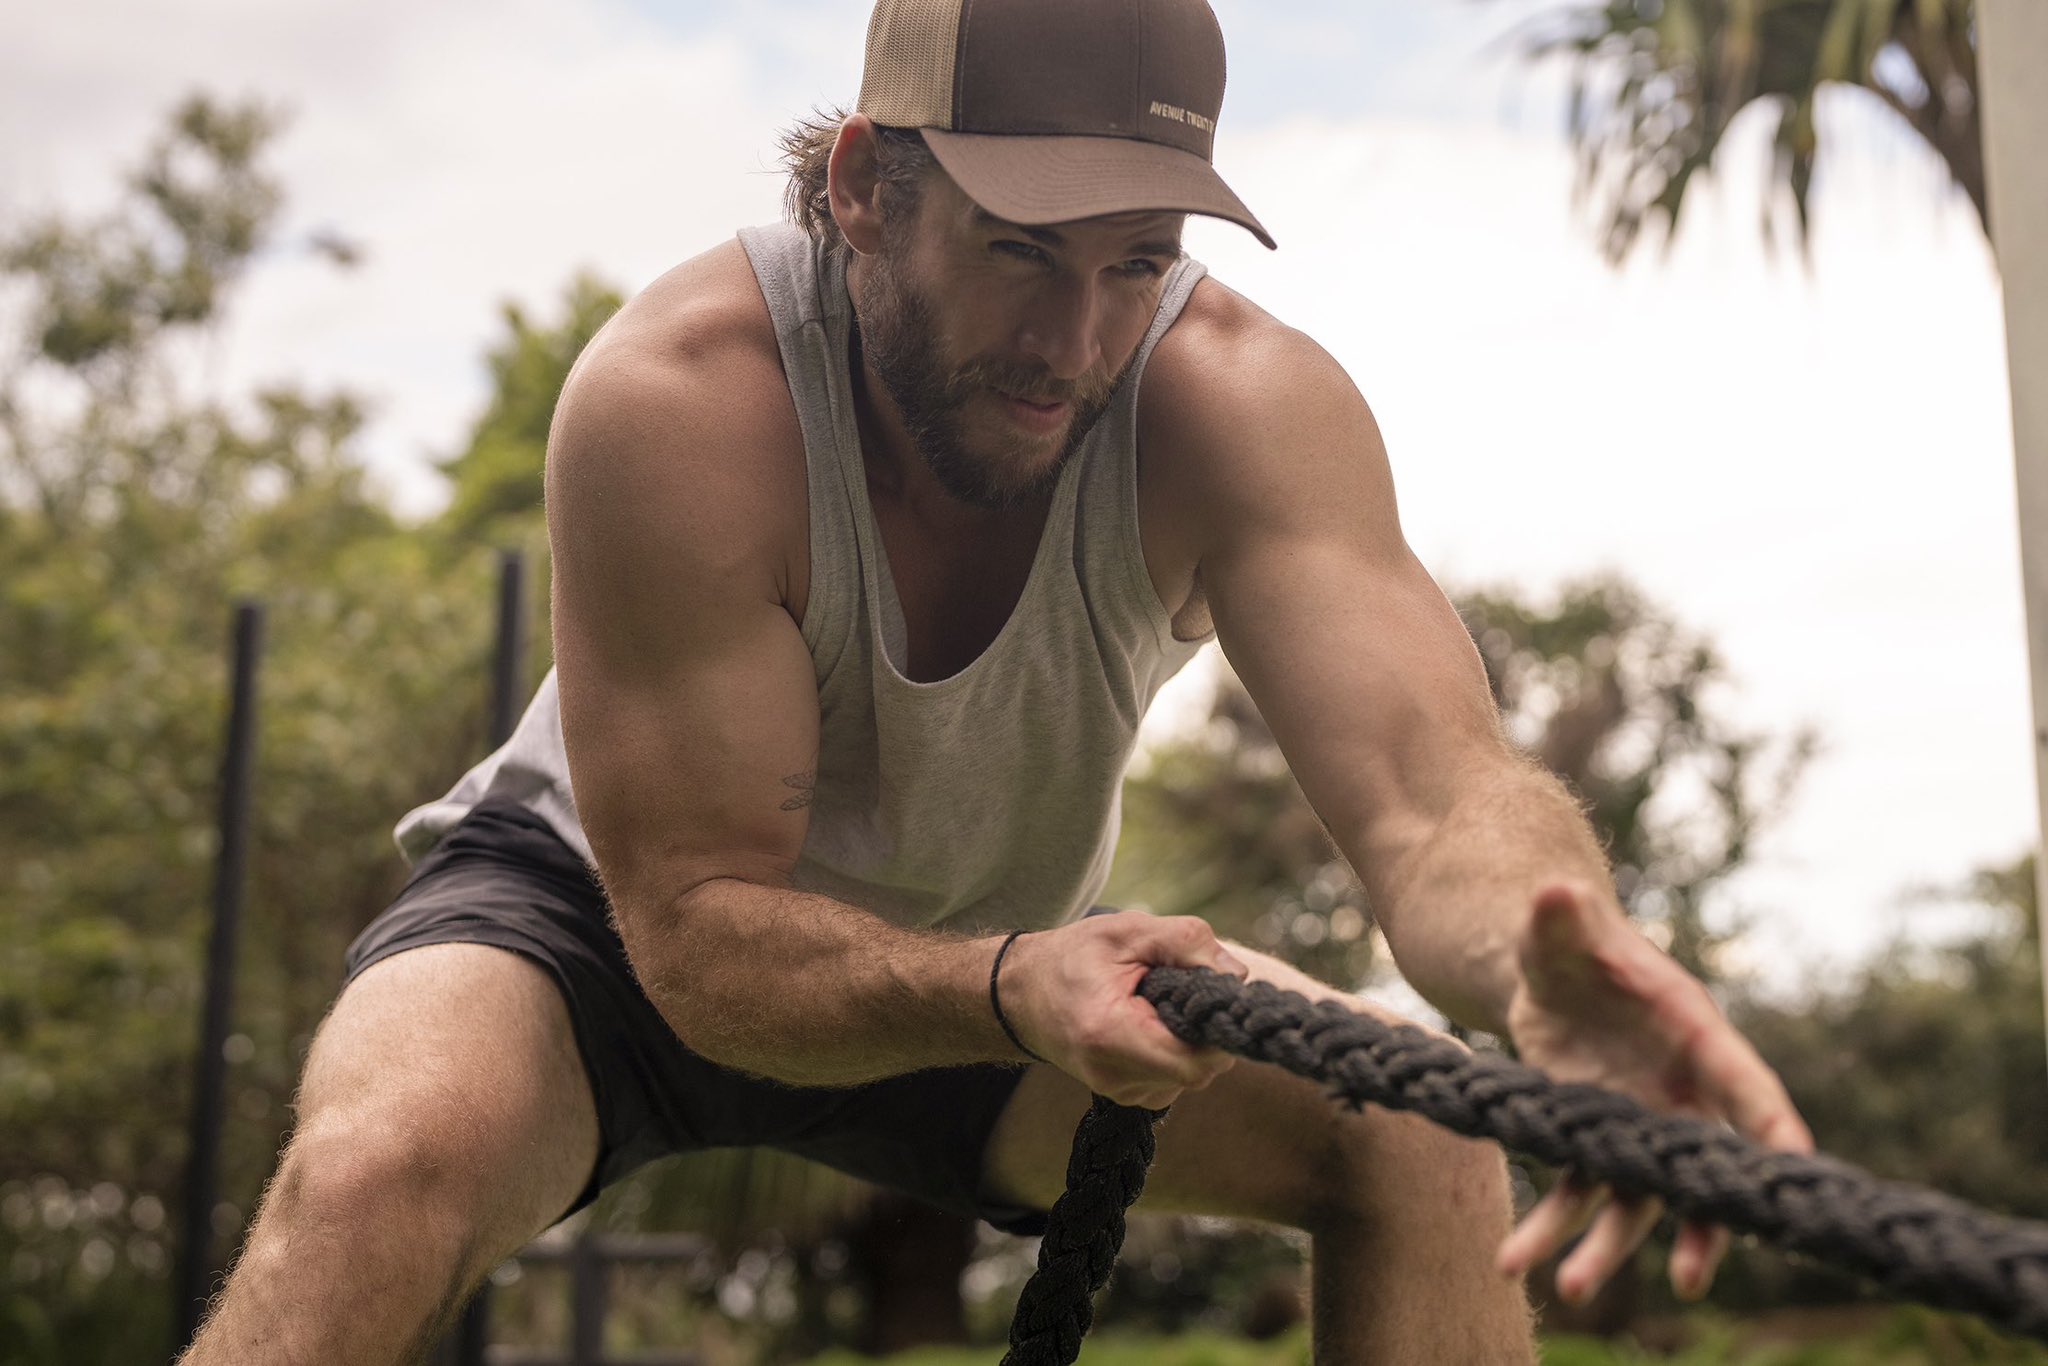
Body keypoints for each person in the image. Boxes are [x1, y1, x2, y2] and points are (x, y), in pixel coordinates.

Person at [181, 0, 1813, 1361]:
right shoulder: (681, 399)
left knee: (1424, 1133)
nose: (1072, 338)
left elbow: (1436, 795)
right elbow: (696, 934)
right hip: (603, 929)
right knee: (375, 1174)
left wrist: (1547, 952)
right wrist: (1005, 980)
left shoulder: (1242, 406)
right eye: (1022, 247)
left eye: (1136, 260)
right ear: (865, 185)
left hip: (1010, 960)